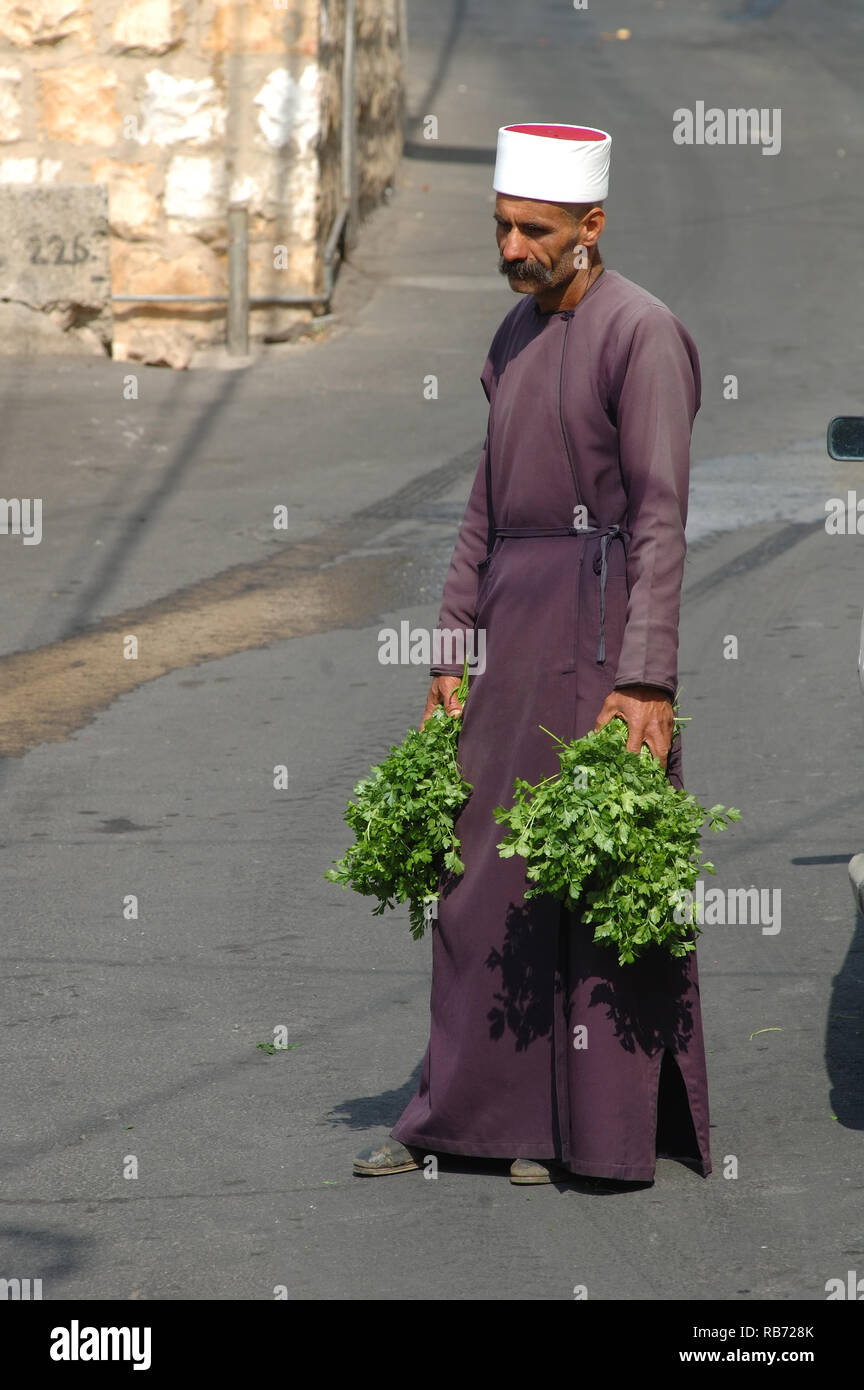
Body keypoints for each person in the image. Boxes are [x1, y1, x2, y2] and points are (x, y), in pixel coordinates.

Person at [354, 123, 709, 1186]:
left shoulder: (643, 333)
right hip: (512, 625)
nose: (511, 246)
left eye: (533, 230)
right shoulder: (511, 334)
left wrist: (645, 676)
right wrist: (449, 654)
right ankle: (470, 1115)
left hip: (602, 631)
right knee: (480, 875)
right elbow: (481, 513)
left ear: (590, 226)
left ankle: (577, 1131)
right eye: (502, 225)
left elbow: (660, 520)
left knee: (586, 872)